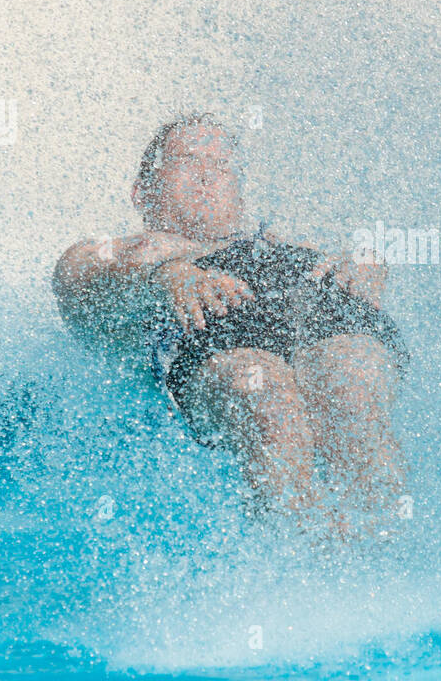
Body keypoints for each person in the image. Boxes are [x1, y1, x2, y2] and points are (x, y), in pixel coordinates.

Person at [53, 114, 408, 529]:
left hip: (321, 309)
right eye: (187, 161)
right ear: (142, 192)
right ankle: (305, 563)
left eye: (221, 165)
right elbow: (73, 278)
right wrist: (166, 274)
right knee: (265, 398)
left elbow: (359, 260)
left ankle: (387, 557)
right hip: (215, 326)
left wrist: (368, 264)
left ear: (239, 190)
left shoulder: (277, 239)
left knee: (350, 389)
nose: (206, 174)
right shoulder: (130, 250)